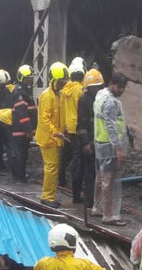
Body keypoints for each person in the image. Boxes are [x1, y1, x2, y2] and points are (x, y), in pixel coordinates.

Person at [92, 73, 129, 226]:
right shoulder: (111, 102)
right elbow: (111, 126)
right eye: (119, 87)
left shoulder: (100, 95)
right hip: (109, 145)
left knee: (100, 177)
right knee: (109, 180)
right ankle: (108, 215)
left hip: (99, 142)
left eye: (124, 87)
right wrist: (119, 148)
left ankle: (97, 207)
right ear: (112, 83)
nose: (122, 90)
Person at [35, 63, 68, 208]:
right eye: (61, 82)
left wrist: (63, 129)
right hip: (48, 138)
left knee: (54, 168)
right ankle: (47, 197)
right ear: (54, 80)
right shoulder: (47, 96)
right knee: (51, 167)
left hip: (55, 138)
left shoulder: (59, 95)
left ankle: (50, 196)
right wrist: (56, 131)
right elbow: (45, 119)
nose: (63, 84)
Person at [75, 69, 104, 212]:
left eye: (98, 86)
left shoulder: (102, 98)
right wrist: (86, 143)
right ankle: (89, 201)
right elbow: (82, 124)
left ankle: (98, 200)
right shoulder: (84, 100)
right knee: (88, 173)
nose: (96, 89)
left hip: (100, 141)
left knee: (99, 174)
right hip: (89, 142)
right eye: (93, 87)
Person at [59, 57, 85, 193]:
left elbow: (62, 109)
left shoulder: (64, 90)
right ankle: (76, 185)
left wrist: (63, 127)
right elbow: (82, 110)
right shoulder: (80, 90)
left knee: (64, 156)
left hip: (67, 127)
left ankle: (61, 180)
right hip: (77, 128)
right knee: (77, 157)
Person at [10, 64, 37, 182]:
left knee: (22, 153)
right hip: (21, 130)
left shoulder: (24, 90)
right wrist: (28, 130)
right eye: (28, 78)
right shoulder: (19, 92)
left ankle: (20, 175)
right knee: (20, 154)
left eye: (31, 78)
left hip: (23, 130)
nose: (31, 80)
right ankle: (20, 177)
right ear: (22, 78)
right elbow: (22, 113)